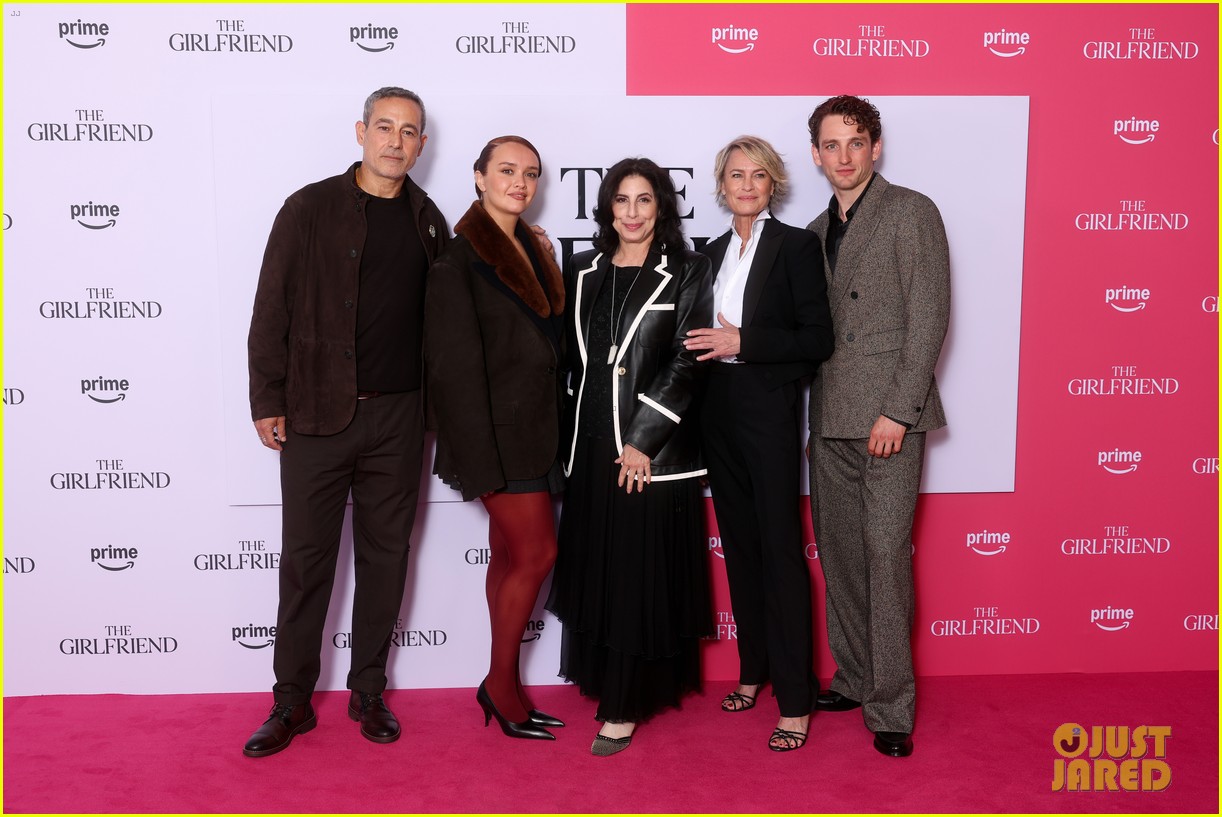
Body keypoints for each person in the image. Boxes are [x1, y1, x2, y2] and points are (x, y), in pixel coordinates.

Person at [243, 87, 449, 757]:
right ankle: (290, 702)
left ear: (421, 144)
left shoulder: (428, 219)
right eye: (384, 127)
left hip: (399, 418)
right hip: (315, 413)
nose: (395, 141)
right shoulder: (307, 208)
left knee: (386, 560)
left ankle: (368, 692)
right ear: (361, 133)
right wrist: (267, 398)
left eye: (408, 131)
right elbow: (270, 307)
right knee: (306, 563)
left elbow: (447, 319)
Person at [545, 158, 714, 756]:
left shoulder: (688, 270)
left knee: (635, 574)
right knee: (600, 567)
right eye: (622, 200)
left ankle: (623, 703)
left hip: (649, 451)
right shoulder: (582, 270)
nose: (633, 212)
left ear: (661, 206)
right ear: (607, 208)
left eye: (645, 200)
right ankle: (604, 679)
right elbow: (571, 358)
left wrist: (643, 439)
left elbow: (688, 361)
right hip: (589, 446)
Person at [805, 95, 950, 758]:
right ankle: (856, 677)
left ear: (876, 147)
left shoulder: (911, 211)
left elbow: (929, 318)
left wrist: (898, 409)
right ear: (816, 154)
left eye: (855, 142)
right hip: (831, 415)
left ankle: (891, 704)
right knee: (841, 556)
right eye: (831, 145)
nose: (844, 156)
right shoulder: (812, 232)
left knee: (886, 559)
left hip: (890, 416)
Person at [685, 136, 834, 752]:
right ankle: (753, 670)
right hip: (714, 410)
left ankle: (795, 700)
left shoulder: (796, 246)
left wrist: (743, 341)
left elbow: (817, 338)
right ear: (722, 186)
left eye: (758, 176)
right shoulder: (708, 253)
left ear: (774, 183)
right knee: (740, 547)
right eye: (736, 176)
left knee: (778, 549)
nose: (747, 186)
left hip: (768, 408)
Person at [423, 135, 566, 741]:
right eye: (506, 170)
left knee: (510, 555)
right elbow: (452, 374)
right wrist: (479, 462)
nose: (519, 183)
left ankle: (503, 682)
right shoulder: (457, 263)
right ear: (479, 177)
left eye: (530, 173)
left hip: (537, 432)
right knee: (538, 555)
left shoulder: (533, 249)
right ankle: (500, 686)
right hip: (495, 441)